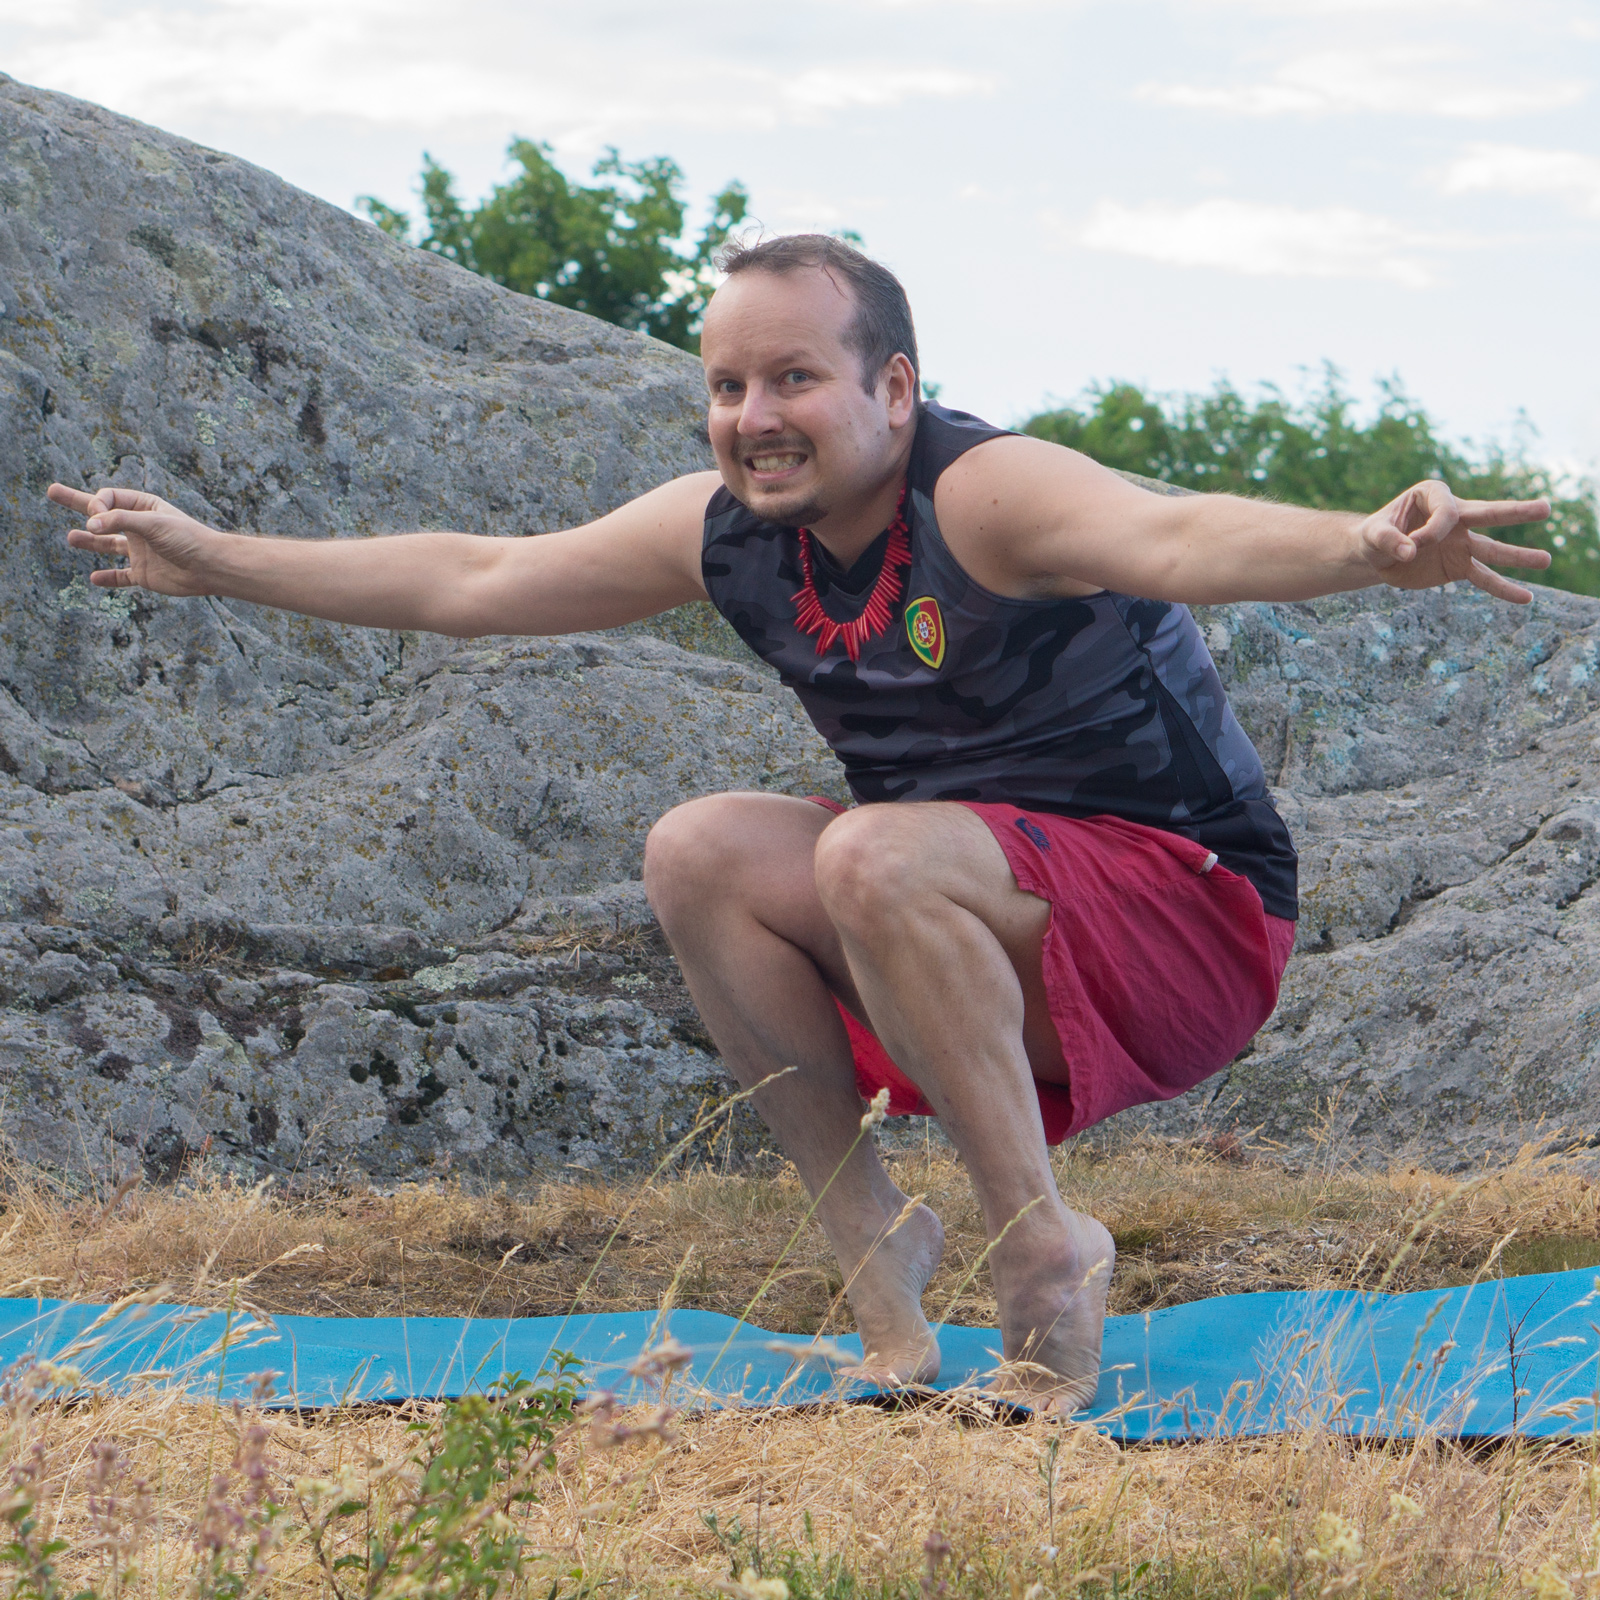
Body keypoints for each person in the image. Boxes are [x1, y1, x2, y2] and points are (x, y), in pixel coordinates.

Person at [48, 233, 1550, 1410]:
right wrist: (221, 560)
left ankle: (1043, 1241)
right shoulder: (729, 537)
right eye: (725, 387)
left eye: (794, 380)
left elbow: (1173, 531)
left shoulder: (991, 497)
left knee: (869, 848)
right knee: (699, 846)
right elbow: (477, 581)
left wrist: (1364, 546)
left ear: (895, 388)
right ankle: (879, 1260)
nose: (753, 418)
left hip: (1189, 923)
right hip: (973, 927)